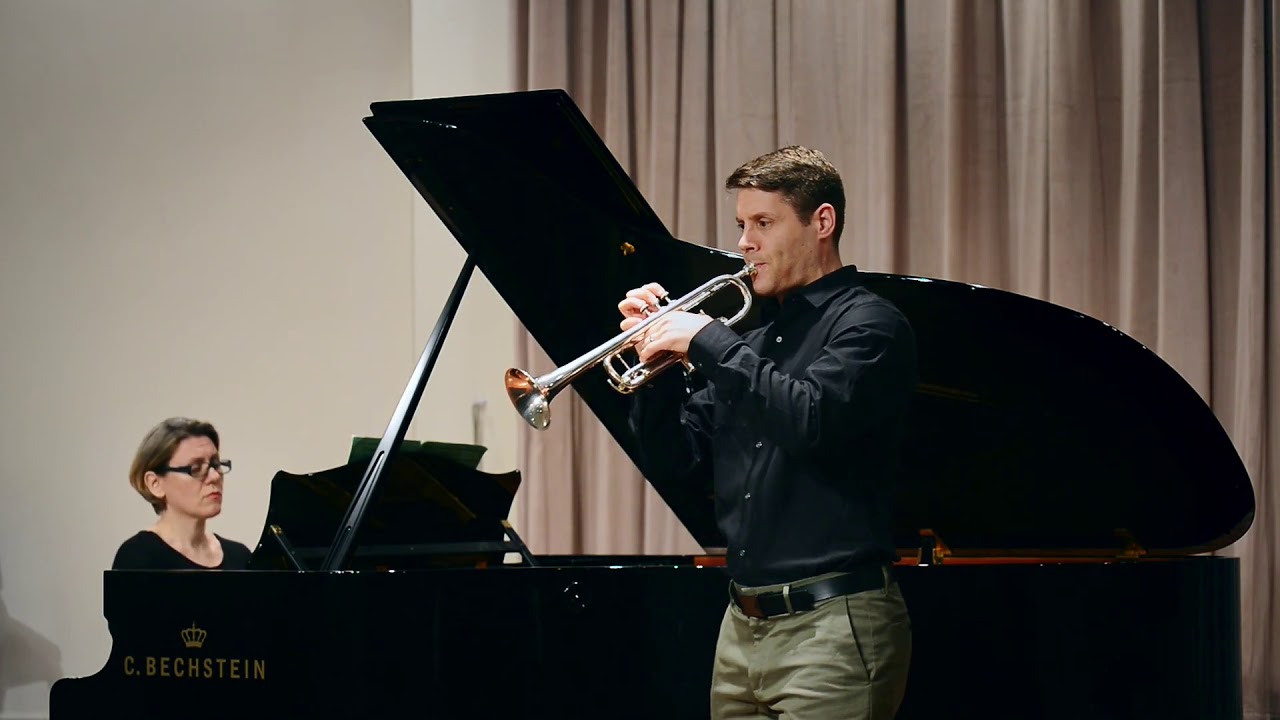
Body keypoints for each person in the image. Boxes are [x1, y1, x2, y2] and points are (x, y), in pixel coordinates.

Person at [621, 146, 917, 718]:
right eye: (741, 225)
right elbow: (678, 465)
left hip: (833, 626)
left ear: (822, 222)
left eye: (764, 223)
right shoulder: (753, 344)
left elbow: (811, 419)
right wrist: (654, 368)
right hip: (741, 629)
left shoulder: (870, 325)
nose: (745, 243)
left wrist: (706, 341)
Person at [112, 417, 252, 570]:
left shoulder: (240, 557)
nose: (215, 476)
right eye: (196, 468)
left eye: (215, 464)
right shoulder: (138, 557)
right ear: (155, 484)